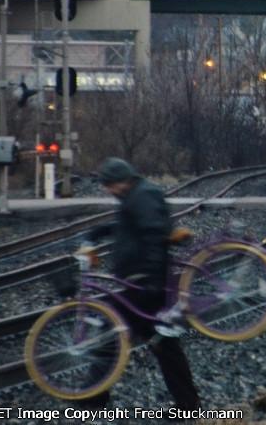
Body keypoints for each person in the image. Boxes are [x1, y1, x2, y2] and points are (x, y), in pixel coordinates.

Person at [80, 157, 201, 411]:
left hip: (144, 284)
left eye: (110, 185)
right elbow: (126, 227)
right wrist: (94, 234)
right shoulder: (135, 197)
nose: (108, 190)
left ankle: (92, 398)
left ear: (123, 180)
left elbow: (154, 237)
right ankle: (189, 407)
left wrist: (151, 282)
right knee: (163, 344)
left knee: (109, 327)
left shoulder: (143, 195)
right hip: (140, 283)